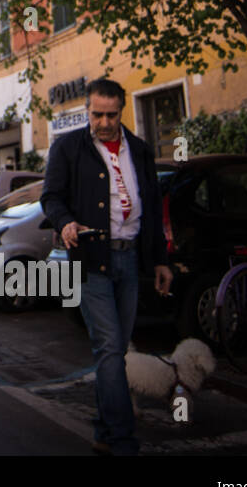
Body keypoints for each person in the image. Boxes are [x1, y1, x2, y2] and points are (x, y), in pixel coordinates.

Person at [40, 77, 172, 456]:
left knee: (114, 351)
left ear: (121, 111)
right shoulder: (68, 148)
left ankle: (102, 428)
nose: (103, 122)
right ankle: (123, 439)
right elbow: (50, 195)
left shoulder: (142, 152)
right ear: (87, 110)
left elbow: (152, 209)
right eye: (96, 114)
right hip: (90, 261)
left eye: (111, 115)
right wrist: (63, 220)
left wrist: (161, 261)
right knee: (110, 347)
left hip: (130, 259)